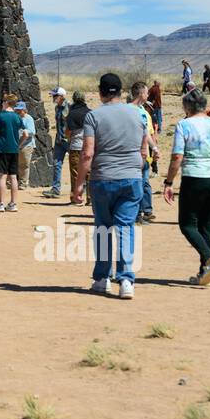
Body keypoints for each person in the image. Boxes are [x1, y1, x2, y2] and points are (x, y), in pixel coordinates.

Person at [79, 73, 151, 299]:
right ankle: (126, 280)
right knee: (126, 228)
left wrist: (79, 183)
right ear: (121, 91)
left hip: (103, 178)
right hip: (132, 178)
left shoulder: (94, 116)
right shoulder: (138, 114)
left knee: (103, 228)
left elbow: (88, 152)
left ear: (100, 92)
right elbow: (143, 149)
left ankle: (102, 278)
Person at [162, 87, 210, 287]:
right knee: (206, 224)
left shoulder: (184, 125)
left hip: (196, 177)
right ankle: (204, 271)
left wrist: (168, 182)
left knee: (187, 224)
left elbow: (177, 156)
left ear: (187, 106)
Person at [130, 82, 159, 223]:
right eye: (146, 92)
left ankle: (145, 211)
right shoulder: (129, 110)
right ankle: (135, 215)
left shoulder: (145, 112)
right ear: (141, 94)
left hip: (144, 156)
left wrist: (154, 148)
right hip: (132, 155)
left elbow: (147, 133)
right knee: (135, 185)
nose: (148, 95)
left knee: (144, 184)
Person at [0, 94, 23, 213]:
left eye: (3, 101)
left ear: (6, 102)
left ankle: (1, 204)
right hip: (14, 149)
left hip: (2, 149)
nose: (2, 103)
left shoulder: (1, 115)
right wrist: (18, 143)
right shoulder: (17, 117)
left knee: (2, 176)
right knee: (13, 177)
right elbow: (24, 133)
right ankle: (13, 203)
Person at [65, 91, 89, 205]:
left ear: (74, 99)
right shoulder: (90, 113)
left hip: (75, 146)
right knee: (89, 173)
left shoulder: (71, 114)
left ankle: (76, 198)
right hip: (88, 147)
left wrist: (69, 138)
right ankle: (91, 198)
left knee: (75, 173)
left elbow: (68, 131)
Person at [46, 86, 68, 198]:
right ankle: (56, 189)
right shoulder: (57, 108)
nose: (53, 97)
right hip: (59, 140)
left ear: (62, 96)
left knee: (76, 163)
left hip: (69, 140)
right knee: (57, 164)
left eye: (55, 95)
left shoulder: (69, 107)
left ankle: (82, 186)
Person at [15, 101, 36, 194]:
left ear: (24, 110)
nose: (18, 112)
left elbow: (32, 131)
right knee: (17, 164)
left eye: (20, 110)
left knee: (24, 164)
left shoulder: (29, 118)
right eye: (17, 110)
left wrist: (24, 132)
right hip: (17, 144)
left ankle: (23, 184)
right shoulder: (16, 118)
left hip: (26, 145)